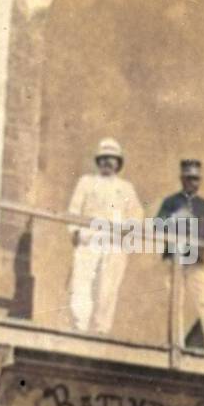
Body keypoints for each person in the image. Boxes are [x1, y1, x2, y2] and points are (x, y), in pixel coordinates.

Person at [65, 138, 142, 335]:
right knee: (82, 282)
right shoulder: (87, 182)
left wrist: (127, 232)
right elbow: (74, 209)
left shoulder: (126, 188)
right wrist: (74, 230)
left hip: (114, 241)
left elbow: (136, 215)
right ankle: (79, 326)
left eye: (113, 159)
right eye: (104, 158)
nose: (108, 162)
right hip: (90, 237)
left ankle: (101, 329)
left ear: (118, 163)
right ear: (98, 160)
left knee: (108, 286)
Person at [155, 159, 204, 356]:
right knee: (175, 300)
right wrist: (175, 220)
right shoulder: (171, 202)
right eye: (188, 178)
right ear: (182, 179)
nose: (192, 183)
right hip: (174, 259)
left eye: (196, 179)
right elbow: (157, 225)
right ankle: (176, 343)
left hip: (195, 260)